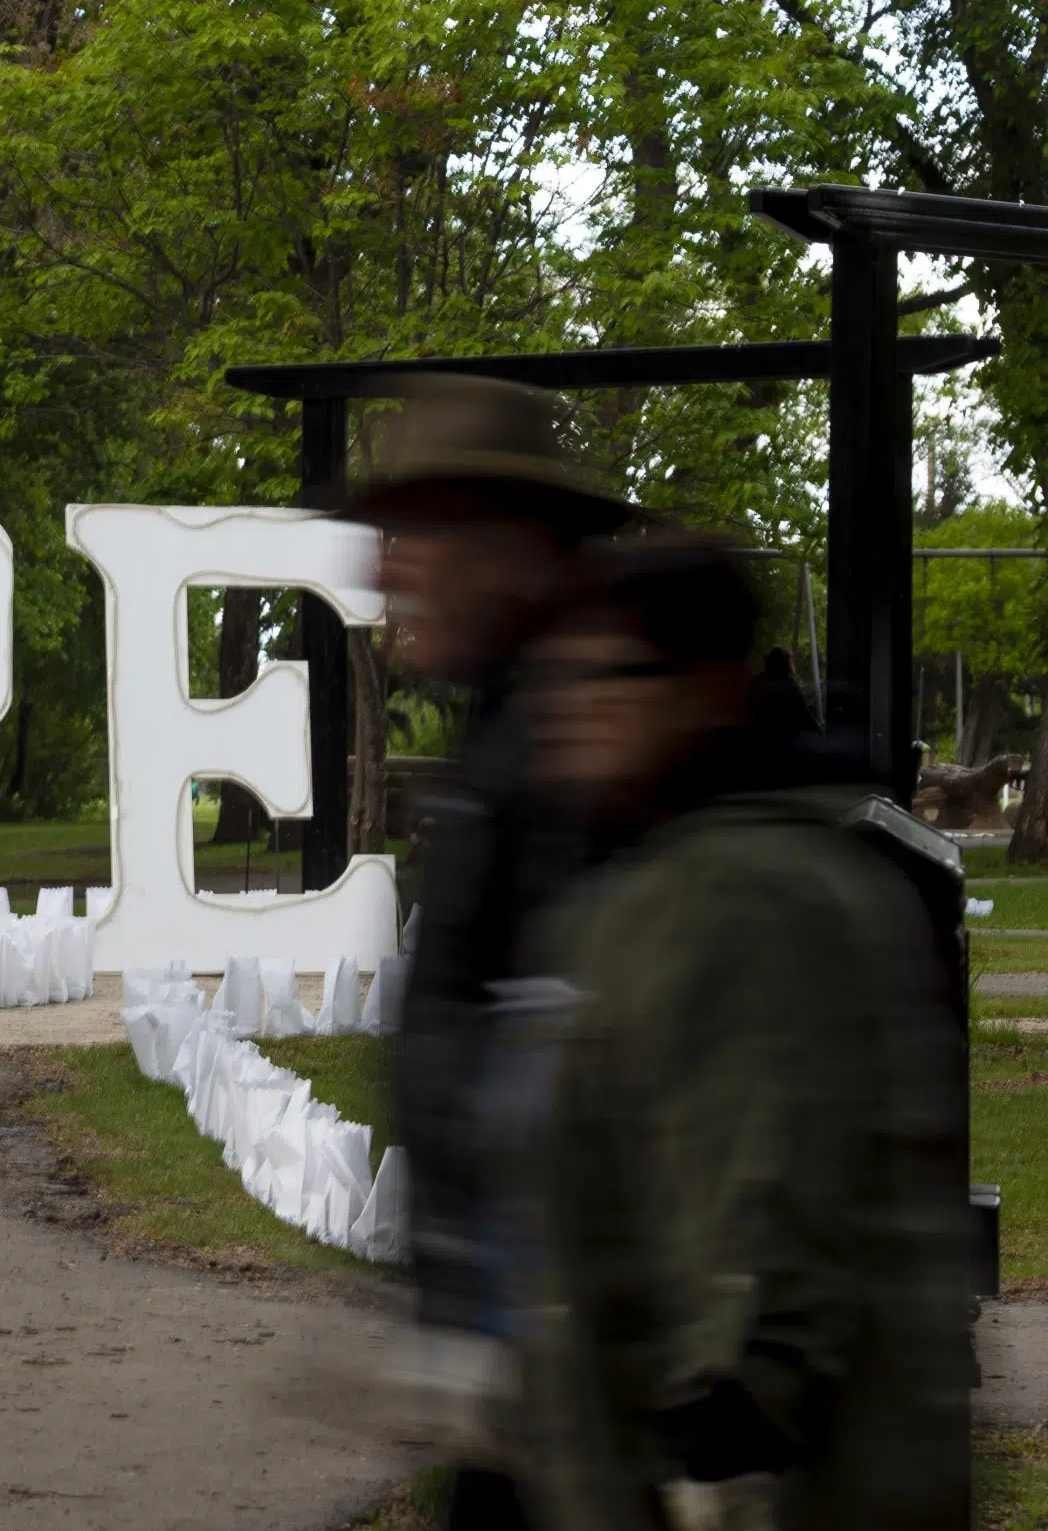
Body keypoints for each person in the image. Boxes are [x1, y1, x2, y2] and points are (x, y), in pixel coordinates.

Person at [514, 539, 967, 1531]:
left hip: (786, 1478)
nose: (572, 706)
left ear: (708, 687)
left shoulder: (735, 894)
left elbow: (765, 1205)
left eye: (610, 675)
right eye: (560, 676)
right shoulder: (693, 869)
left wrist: (722, 1451)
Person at [341, 375, 637, 1531]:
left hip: (574, 1355)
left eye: (415, 535)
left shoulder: (585, 740)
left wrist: (504, 1316)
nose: (386, 570)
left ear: (511, 542)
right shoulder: (510, 723)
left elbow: (588, 1058)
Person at [746, 647, 817, 745]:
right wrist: (817, 730)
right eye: (790, 661)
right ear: (785, 664)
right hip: (785, 740)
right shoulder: (788, 686)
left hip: (756, 739)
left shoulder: (755, 682)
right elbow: (802, 714)